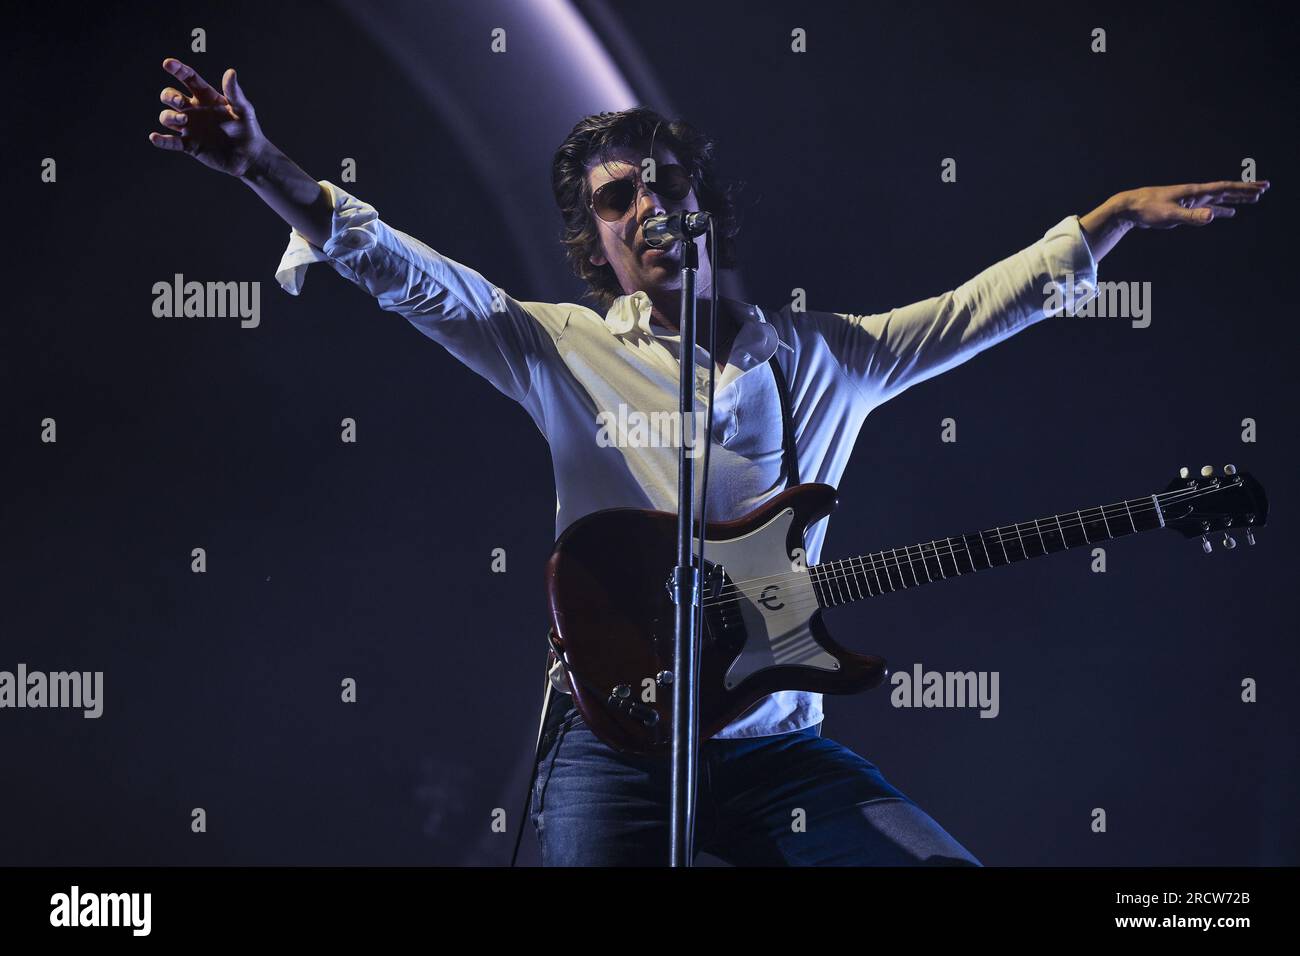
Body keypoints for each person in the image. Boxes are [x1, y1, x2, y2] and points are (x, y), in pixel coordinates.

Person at [150, 57, 1269, 866]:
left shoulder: (828, 358)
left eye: (665, 184)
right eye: (617, 200)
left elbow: (985, 306)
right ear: (594, 242)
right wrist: (264, 166)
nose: (649, 209)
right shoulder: (562, 349)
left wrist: (1112, 218)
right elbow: (410, 274)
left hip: (779, 754)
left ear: (703, 203)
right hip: (614, 748)